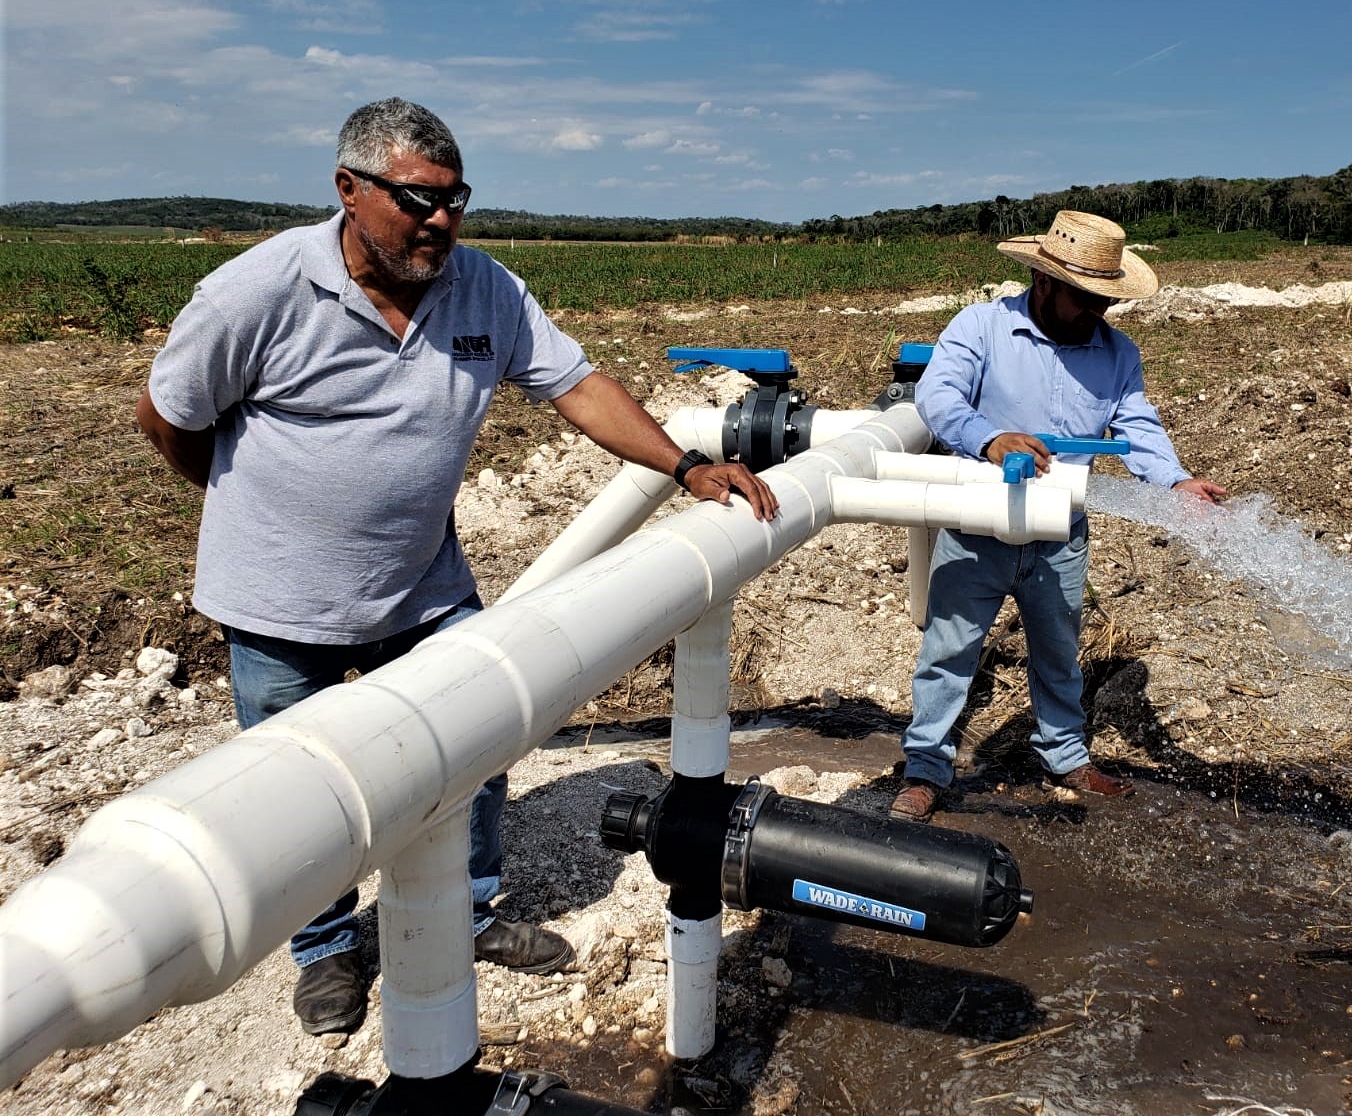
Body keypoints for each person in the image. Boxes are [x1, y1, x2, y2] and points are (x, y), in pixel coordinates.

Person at [136, 97, 778, 1035]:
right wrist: (258, 512)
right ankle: (326, 952)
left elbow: (579, 385)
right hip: (279, 605)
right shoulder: (258, 290)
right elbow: (169, 419)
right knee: (294, 793)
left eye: (454, 200)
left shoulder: (485, 289)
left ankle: (468, 912)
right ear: (349, 191)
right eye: (416, 200)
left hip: (422, 585)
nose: (440, 221)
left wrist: (684, 465)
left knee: (475, 748)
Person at [890, 210, 1225, 823]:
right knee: (949, 648)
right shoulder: (984, 328)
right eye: (1087, 298)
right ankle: (926, 769)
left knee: (1058, 648)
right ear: (1045, 283)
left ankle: (1064, 755)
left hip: (1061, 532)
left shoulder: (1117, 353)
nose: (1100, 310)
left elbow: (1137, 425)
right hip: (977, 523)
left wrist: (1176, 482)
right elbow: (937, 397)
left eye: (1106, 298)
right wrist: (990, 438)